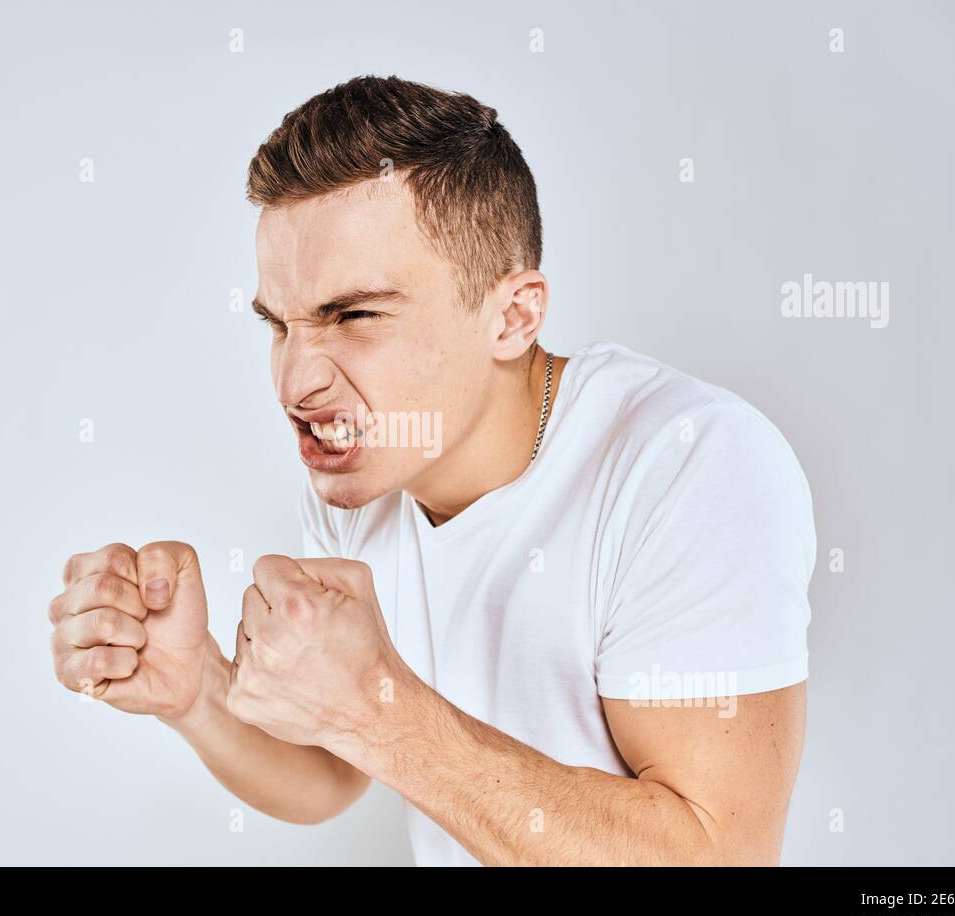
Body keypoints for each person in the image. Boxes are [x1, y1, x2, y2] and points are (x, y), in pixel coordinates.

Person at [47, 75, 816, 866]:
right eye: (281, 323)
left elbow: (717, 857)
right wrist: (198, 689)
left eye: (354, 315)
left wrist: (385, 715)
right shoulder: (367, 468)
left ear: (513, 316)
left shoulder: (686, 464)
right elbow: (333, 770)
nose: (295, 382)